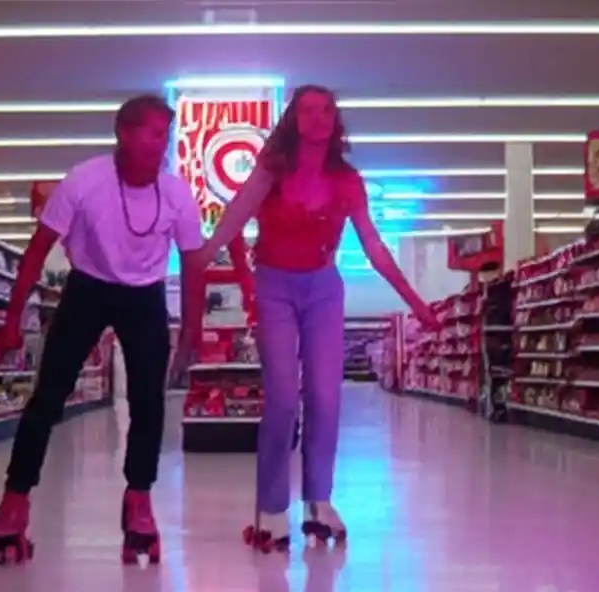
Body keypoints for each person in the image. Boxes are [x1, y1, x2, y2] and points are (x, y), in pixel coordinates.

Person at [172, 85, 438, 553]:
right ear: (294, 119)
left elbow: (373, 245)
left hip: (323, 289)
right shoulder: (273, 169)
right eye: (308, 110)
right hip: (274, 285)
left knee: (325, 397)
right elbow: (237, 212)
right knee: (281, 399)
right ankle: (271, 507)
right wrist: (206, 253)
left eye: (327, 110)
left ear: (336, 120)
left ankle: (319, 500)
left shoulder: (348, 181)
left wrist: (414, 302)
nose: (318, 118)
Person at [0, 95, 205, 566]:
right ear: (122, 133)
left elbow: (194, 263)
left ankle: (139, 498)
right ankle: (15, 498)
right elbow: (38, 249)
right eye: (151, 132)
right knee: (48, 397)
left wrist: (191, 332)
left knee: (148, 402)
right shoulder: (85, 180)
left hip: (145, 297)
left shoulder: (177, 193)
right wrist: (11, 322)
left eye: (165, 134)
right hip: (87, 289)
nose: (159, 144)